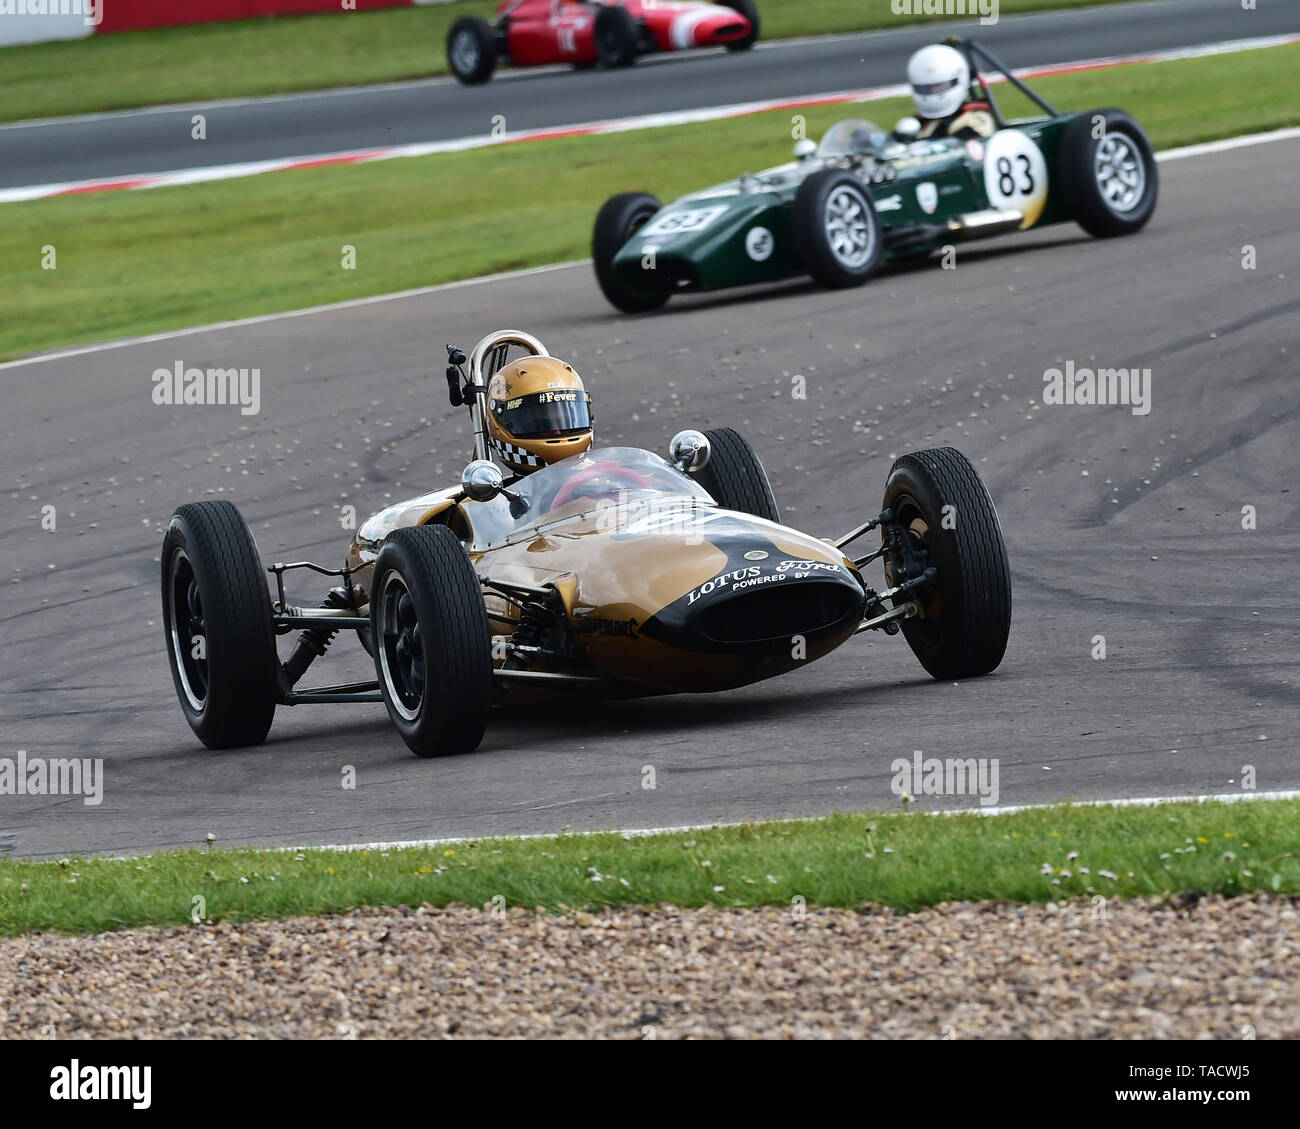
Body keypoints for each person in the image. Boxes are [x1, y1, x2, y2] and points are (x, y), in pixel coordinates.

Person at [483, 355, 594, 476]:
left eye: (566, 419)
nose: (557, 432)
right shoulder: (489, 492)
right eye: (542, 422)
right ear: (498, 420)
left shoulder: (608, 478)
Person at [898, 43, 995, 142]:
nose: (933, 91)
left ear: (959, 81)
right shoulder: (919, 123)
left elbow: (969, 146)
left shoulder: (976, 118)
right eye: (926, 88)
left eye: (939, 86)